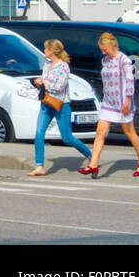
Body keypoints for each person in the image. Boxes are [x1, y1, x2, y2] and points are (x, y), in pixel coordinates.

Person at [82, 32, 139, 179]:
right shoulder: (105, 60)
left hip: (123, 102)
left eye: (105, 49)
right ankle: (93, 164)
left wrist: (127, 102)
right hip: (108, 102)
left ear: (113, 46)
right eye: (101, 50)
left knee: (129, 132)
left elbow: (130, 81)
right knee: (100, 131)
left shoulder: (124, 60)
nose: (103, 52)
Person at [28, 39, 93, 177]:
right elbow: (48, 83)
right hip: (46, 103)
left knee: (67, 138)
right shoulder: (47, 64)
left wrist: (44, 82)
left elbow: (60, 87)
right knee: (39, 134)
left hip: (61, 105)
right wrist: (39, 83)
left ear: (52, 51)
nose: (44, 50)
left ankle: (91, 155)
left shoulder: (63, 67)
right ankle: (39, 166)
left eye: (46, 48)